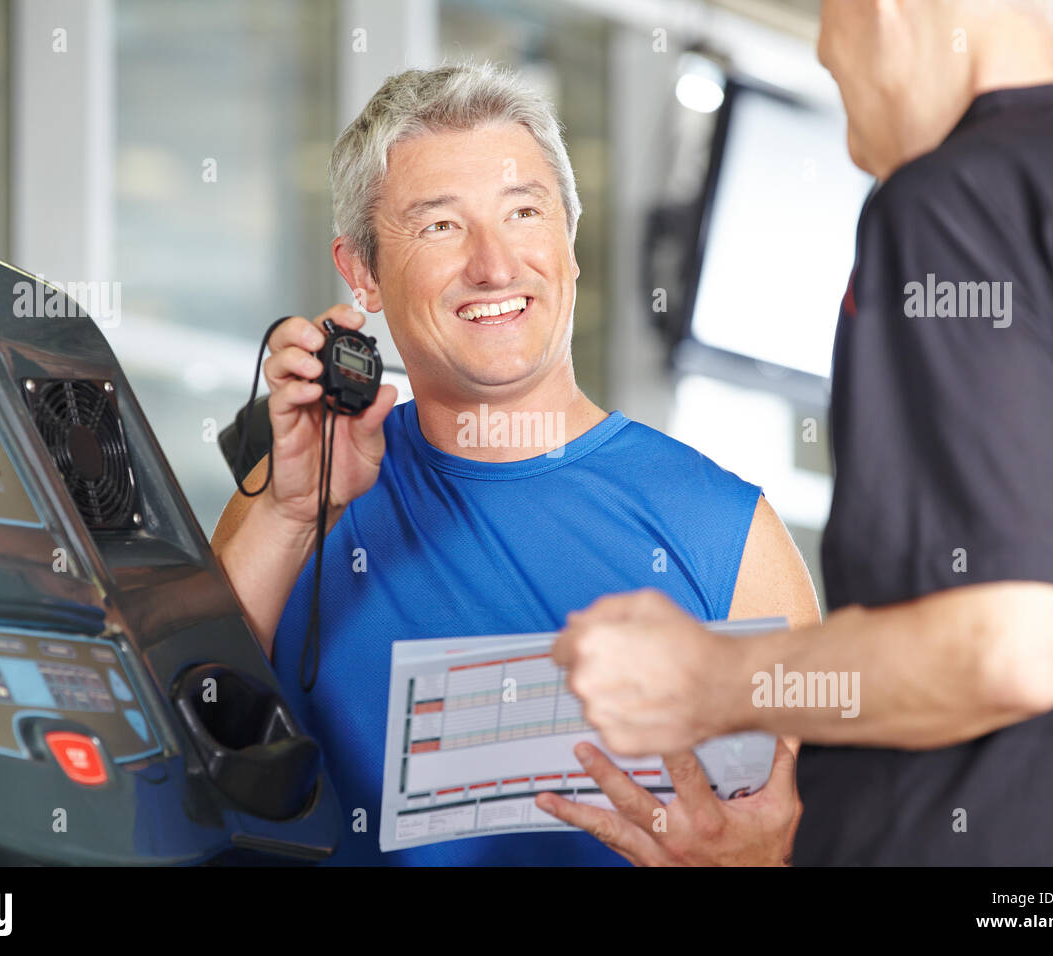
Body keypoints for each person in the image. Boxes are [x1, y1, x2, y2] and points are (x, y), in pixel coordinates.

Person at [552, 0, 1053, 865]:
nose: (852, 141)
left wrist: (708, 681)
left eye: (831, 45)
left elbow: (1010, 648)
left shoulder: (954, 199)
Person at [209, 61, 820, 866]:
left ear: (568, 244)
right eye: (440, 226)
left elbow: (824, 833)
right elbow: (165, 735)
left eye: (524, 213)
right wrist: (288, 514)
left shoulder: (727, 532)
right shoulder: (298, 497)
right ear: (362, 274)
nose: (494, 266)